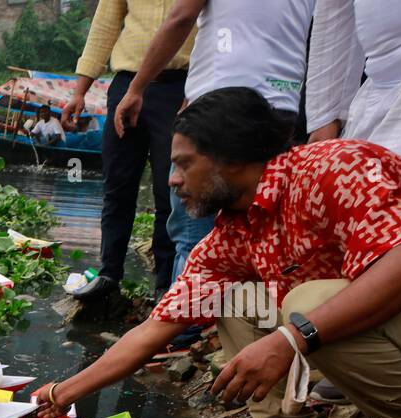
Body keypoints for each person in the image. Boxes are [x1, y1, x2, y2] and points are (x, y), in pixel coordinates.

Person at [34, 88, 401, 418]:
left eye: (184, 165)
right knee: (234, 298)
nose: (173, 180)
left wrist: (290, 339)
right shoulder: (235, 231)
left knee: (307, 303)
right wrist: (62, 394)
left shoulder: (338, 166)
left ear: (234, 158)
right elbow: (155, 328)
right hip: (383, 334)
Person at [112, 0, 316, 279]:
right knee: (261, 233)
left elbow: (181, 17)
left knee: (193, 234)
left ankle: (188, 319)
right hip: (282, 107)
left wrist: (137, 87)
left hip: (222, 106)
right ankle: (249, 318)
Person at [64, 0, 197, 302]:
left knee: (171, 188)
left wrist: (200, 89)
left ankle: (165, 282)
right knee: (117, 183)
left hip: (180, 87)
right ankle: (109, 272)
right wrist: (79, 92)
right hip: (126, 84)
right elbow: (105, 27)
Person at [306, 0, 401, 173]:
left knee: (392, 187)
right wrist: (325, 116)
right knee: (345, 186)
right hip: (373, 92)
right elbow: (336, 9)